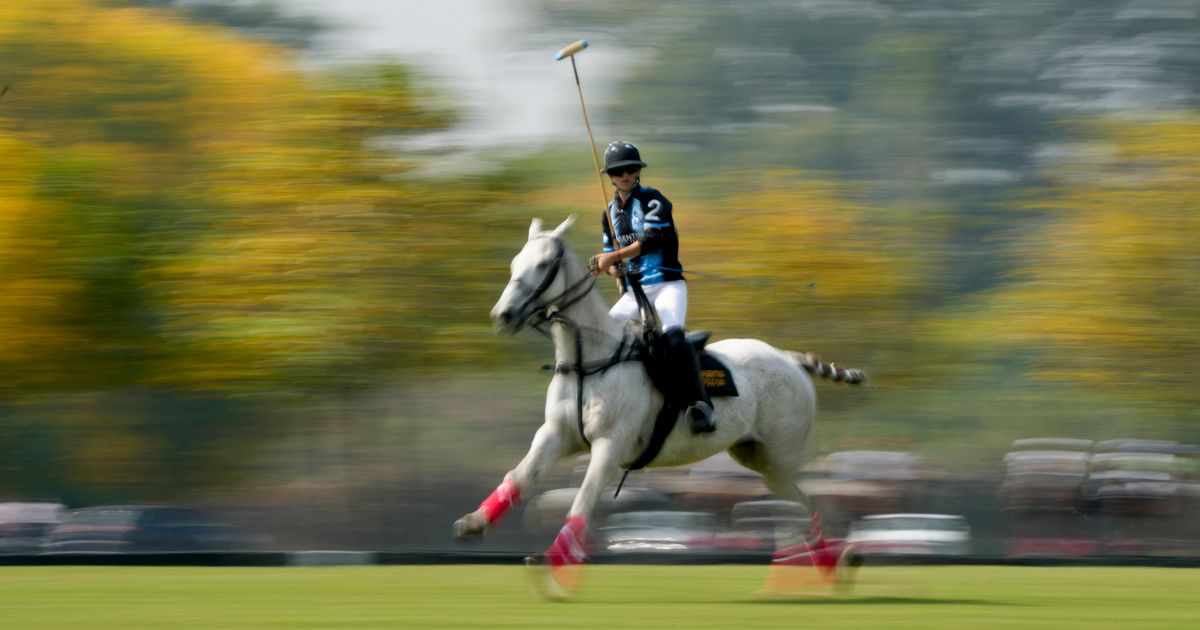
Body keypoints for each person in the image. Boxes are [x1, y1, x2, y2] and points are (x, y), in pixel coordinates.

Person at [588, 140, 715, 434]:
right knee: (606, 336)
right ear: (610, 176)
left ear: (638, 172)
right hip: (636, 290)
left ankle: (699, 404)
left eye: (630, 169)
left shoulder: (652, 199)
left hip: (667, 283)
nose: (625, 175)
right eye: (618, 171)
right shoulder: (608, 214)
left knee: (672, 338)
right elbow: (612, 259)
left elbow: (652, 240)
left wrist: (613, 257)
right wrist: (611, 268)